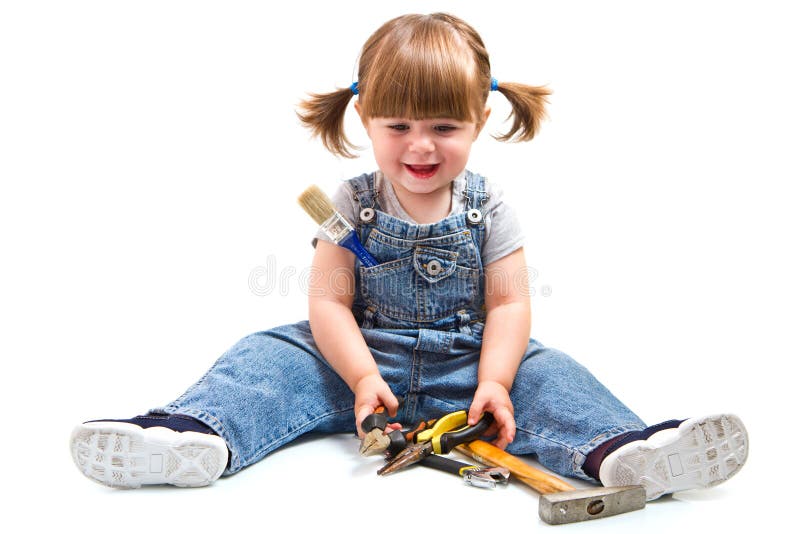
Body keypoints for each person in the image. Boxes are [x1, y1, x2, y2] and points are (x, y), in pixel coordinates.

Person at [70, 12, 748, 500]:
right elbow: (328, 303)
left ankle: (622, 451)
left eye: (444, 127)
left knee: (551, 375)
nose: (421, 147)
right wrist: (362, 375)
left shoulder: (490, 204)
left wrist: (497, 380)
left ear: (480, 121)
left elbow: (510, 304)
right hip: (360, 359)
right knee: (268, 356)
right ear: (365, 118)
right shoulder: (349, 202)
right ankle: (193, 434)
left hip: (469, 363)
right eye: (398, 126)